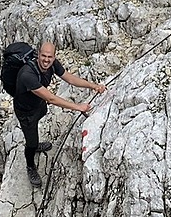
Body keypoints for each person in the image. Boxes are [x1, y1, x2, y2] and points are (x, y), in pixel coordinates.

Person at [14, 41, 105, 187]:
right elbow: (51, 98)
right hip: (26, 112)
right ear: (38, 54)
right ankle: (30, 165)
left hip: (38, 105)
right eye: (43, 56)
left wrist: (93, 86)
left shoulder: (52, 64)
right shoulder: (27, 74)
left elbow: (69, 78)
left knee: (41, 116)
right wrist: (78, 107)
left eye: (50, 57)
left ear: (54, 57)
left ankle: (35, 142)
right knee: (31, 142)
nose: (46, 60)